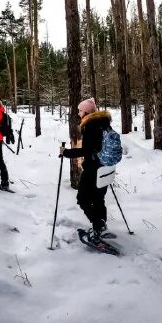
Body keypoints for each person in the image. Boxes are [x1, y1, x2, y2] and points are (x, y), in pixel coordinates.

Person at [60, 97, 111, 242]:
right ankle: (101, 225)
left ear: (86, 112)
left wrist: (67, 153)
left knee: (82, 198)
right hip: (106, 166)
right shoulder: (103, 123)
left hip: (93, 168)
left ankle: (98, 225)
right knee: (98, 198)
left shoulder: (90, 126)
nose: (78, 113)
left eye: (80, 110)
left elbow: (86, 151)